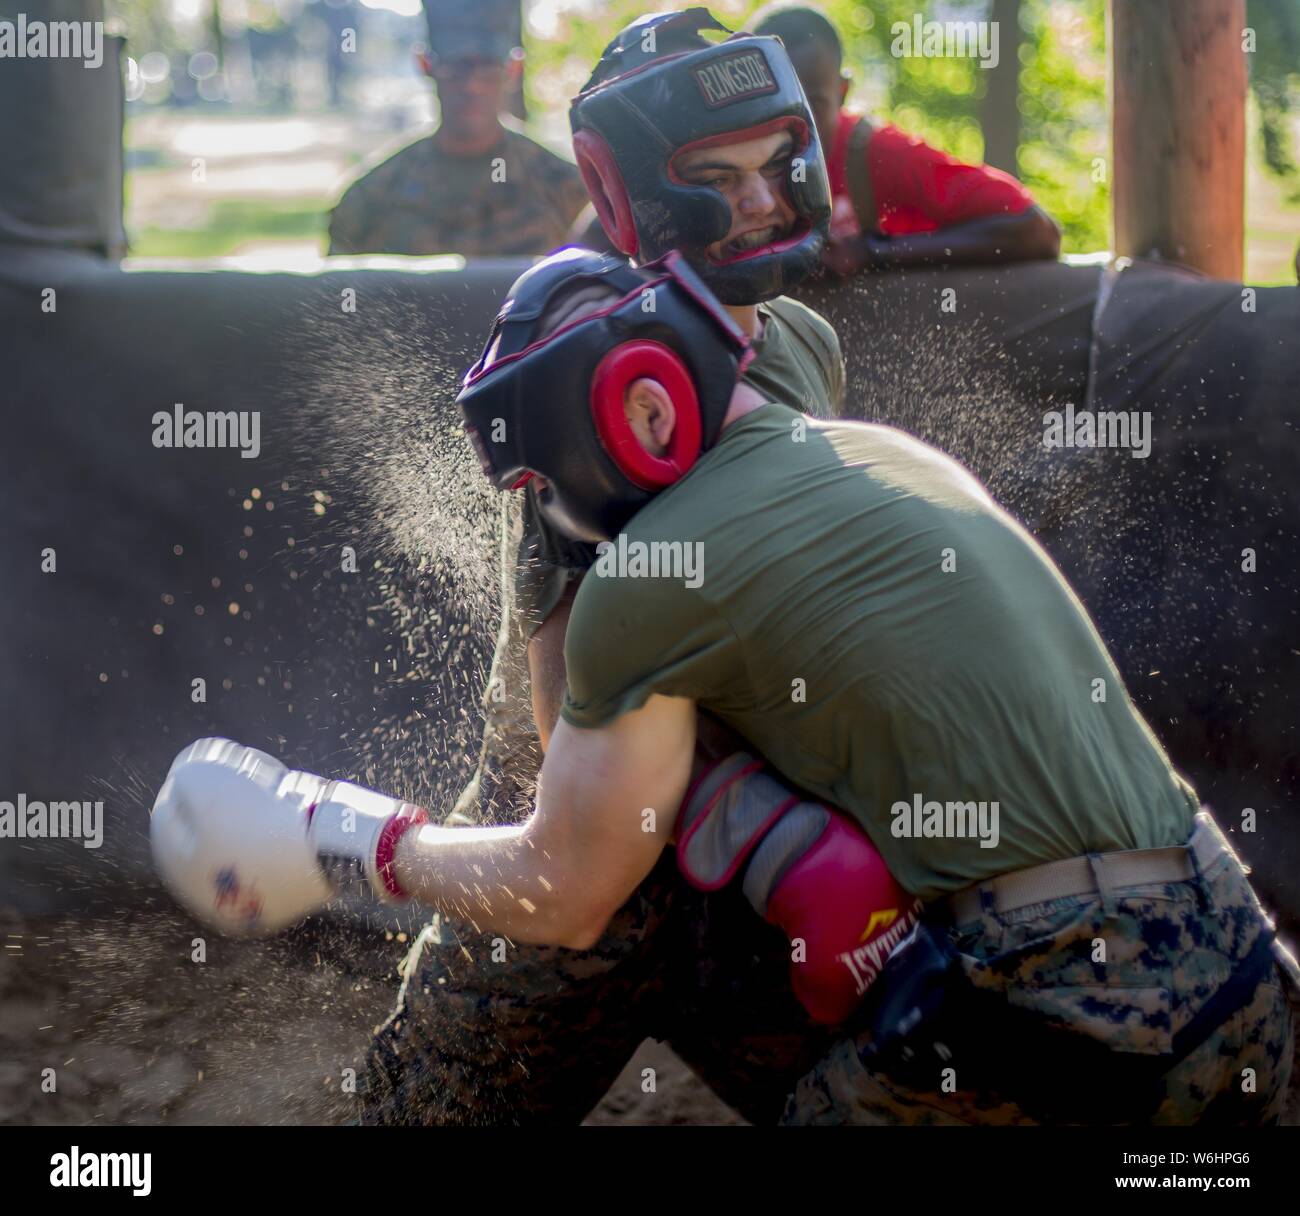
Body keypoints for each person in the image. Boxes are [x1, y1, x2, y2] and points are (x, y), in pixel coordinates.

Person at [152, 243, 1294, 1125]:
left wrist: (336, 830)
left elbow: (566, 887)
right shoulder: (872, 451)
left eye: (545, 480)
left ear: (629, 415)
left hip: (1071, 1010)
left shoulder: (653, 577)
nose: (548, 514)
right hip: (1246, 985)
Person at [752, 4, 1061, 278]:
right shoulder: (727, 167)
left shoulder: (876, 154)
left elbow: (1037, 232)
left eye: (813, 106)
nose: (793, 127)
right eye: (773, 108)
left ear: (842, 92)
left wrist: (872, 253)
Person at [326, 0, 589, 257]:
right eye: (456, 68)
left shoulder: (566, 188)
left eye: (487, 68)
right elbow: (338, 292)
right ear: (425, 65)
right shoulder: (371, 198)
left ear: (513, 69)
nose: (472, 86)